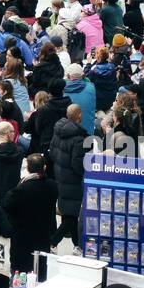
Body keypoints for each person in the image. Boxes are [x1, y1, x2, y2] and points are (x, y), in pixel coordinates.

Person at [1, 153, 58, 275]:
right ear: (44, 167)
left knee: (21, 272)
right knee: (41, 269)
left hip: (22, 238)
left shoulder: (20, 190)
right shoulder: (52, 186)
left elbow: (6, 205)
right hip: (43, 235)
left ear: (27, 168)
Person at [49, 103, 86, 249]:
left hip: (60, 176)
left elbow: (52, 152)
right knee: (71, 216)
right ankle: (53, 241)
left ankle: (77, 245)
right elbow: (78, 165)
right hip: (73, 181)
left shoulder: (58, 131)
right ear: (79, 116)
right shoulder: (78, 139)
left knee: (69, 213)